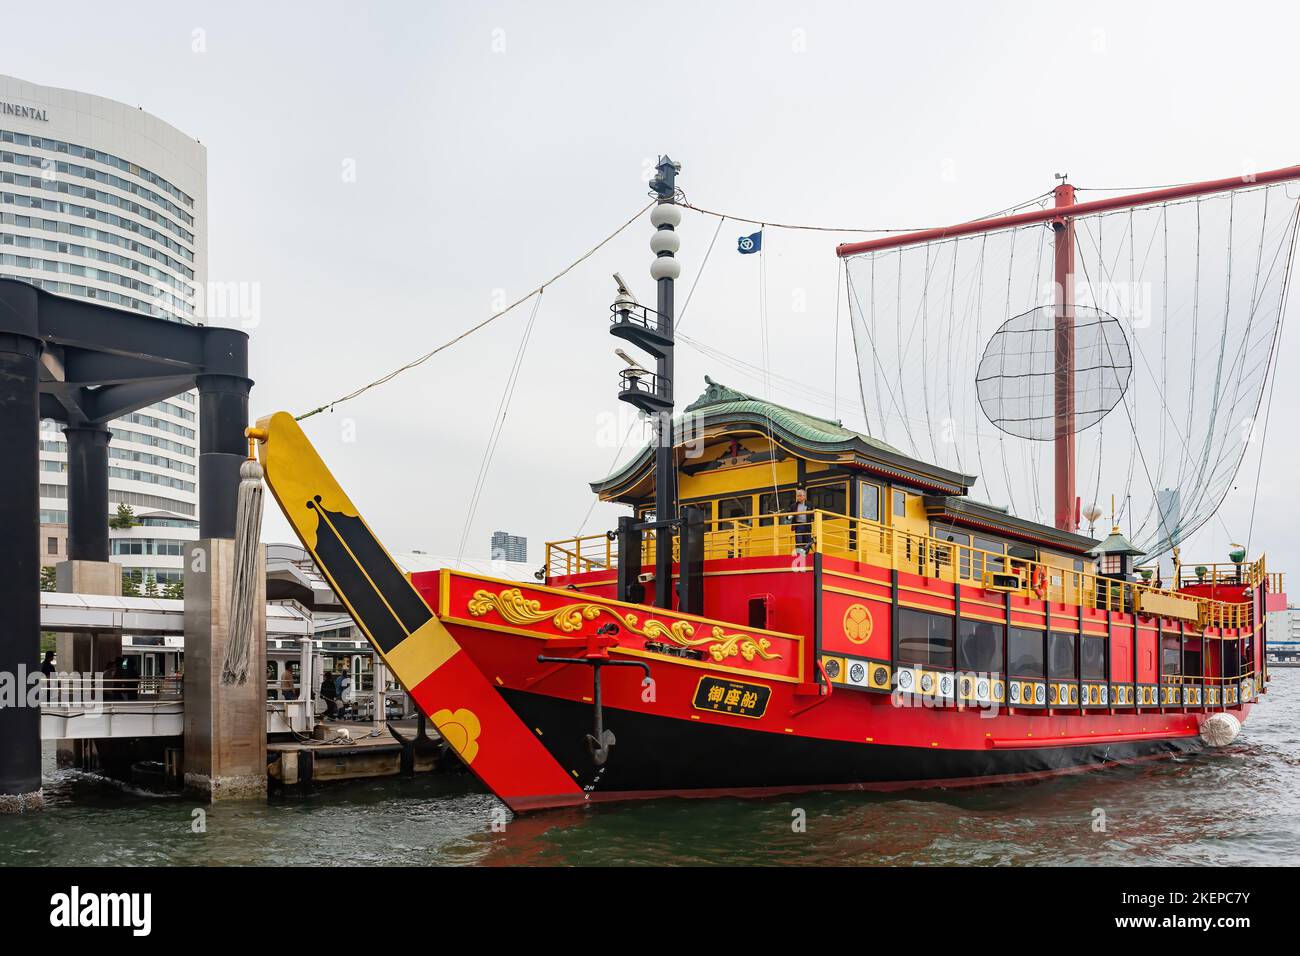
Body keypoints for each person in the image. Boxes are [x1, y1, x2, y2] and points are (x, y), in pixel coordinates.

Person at [791, 488, 812, 555]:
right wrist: (790, 516)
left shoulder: (809, 504)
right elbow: (789, 515)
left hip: (807, 525)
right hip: (798, 525)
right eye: (798, 496)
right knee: (799, 542)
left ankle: (805, 554)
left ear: (804, 496)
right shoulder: (794, 505)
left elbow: (813, 514)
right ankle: (800, 555)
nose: (799, 497)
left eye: (800, 495)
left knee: (808, 541)